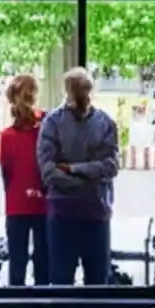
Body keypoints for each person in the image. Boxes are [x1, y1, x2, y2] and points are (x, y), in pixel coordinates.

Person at [38, 67, 120, 285]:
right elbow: (48, 172)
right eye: (76, 89)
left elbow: (111, 166)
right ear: (67, 91)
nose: (81, 93)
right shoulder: (52, 123)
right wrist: (89, 180)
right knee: (61, 284)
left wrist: (73, 169)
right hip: (63, 216)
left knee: (98, 285)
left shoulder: (105, 123)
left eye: (84, 89)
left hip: (96, 215)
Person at [0, 74, 49, 286]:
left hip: (16, 203)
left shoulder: (7, 135)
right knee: (44, 263)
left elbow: (6, 173)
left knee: (17, 263)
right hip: (44, 202)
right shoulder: (46, 127)